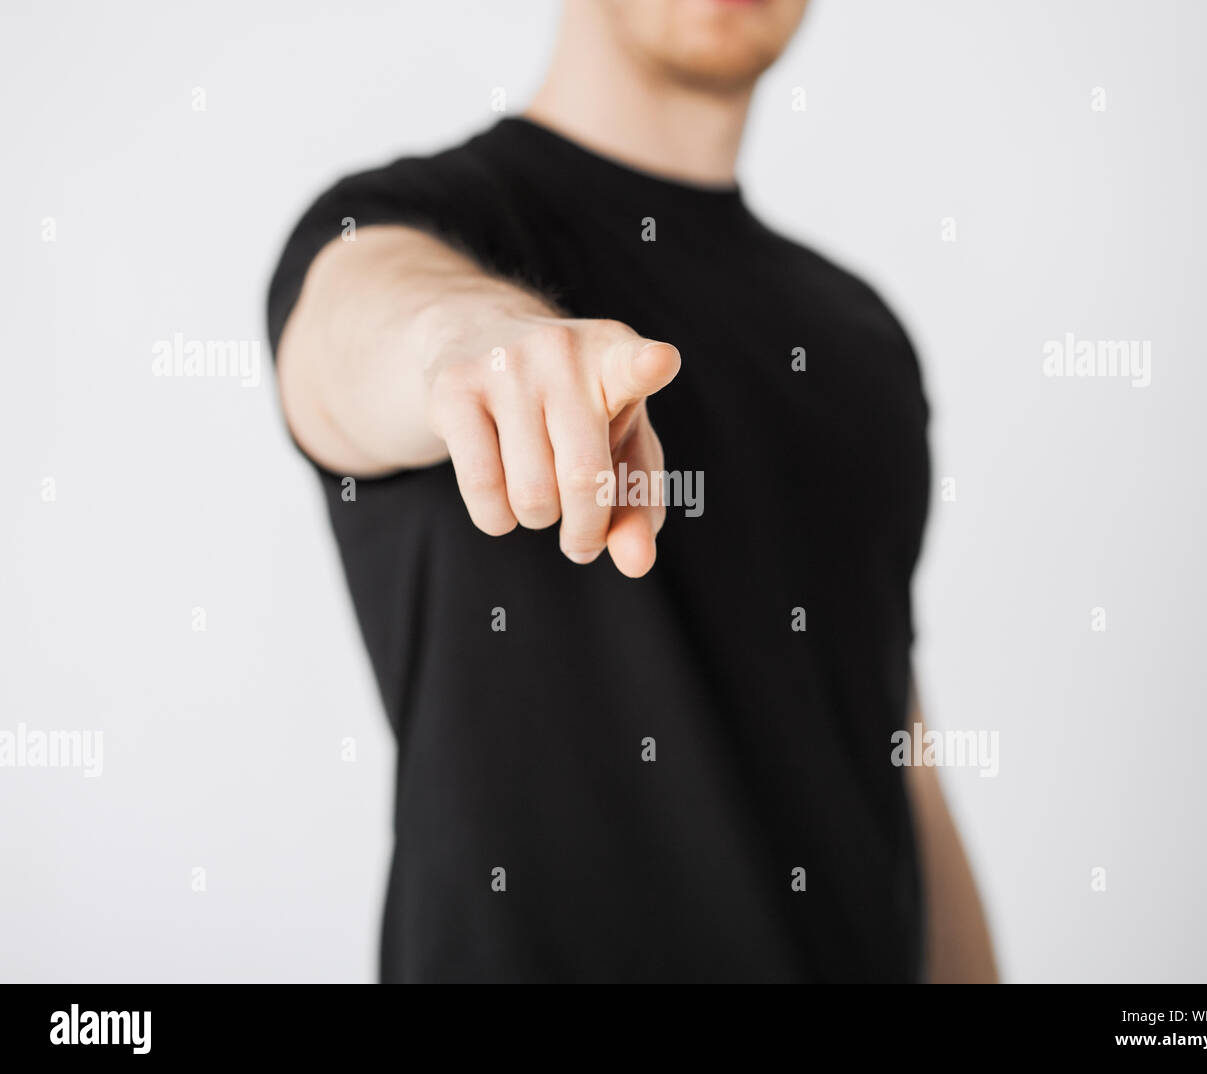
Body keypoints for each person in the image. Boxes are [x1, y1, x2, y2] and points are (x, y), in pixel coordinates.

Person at [267, 0, 996, 982]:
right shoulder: (408, 227)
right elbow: (352, 340)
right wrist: (478, 345)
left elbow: (892, 737)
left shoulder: (863, 341)